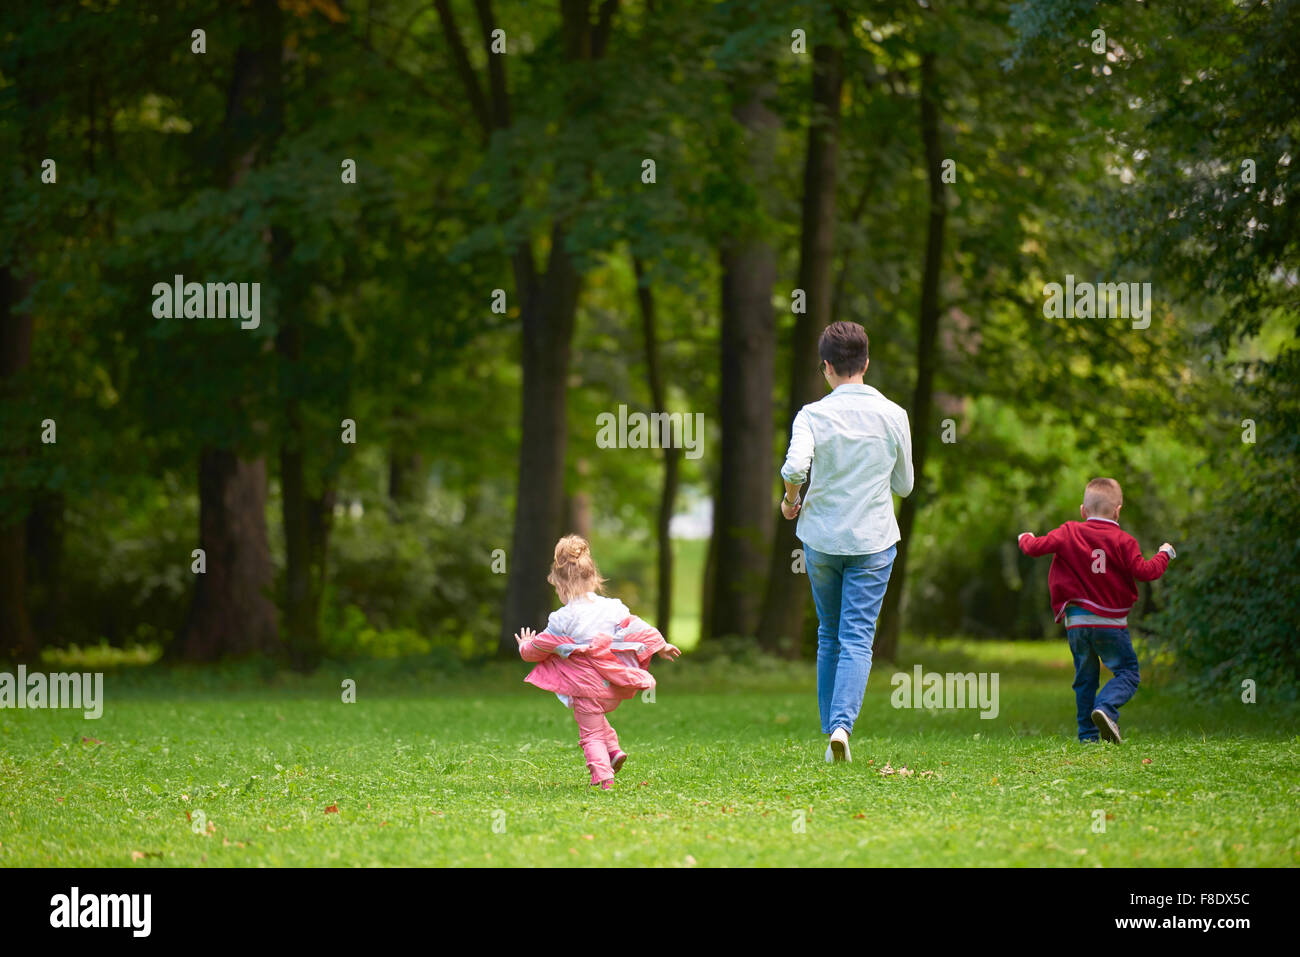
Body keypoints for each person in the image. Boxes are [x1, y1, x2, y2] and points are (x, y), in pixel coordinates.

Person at [778, 321, 913, 763]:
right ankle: (841, 727)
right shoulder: (894, 415)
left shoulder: (812, 415)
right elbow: (906, 485)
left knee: (828, 633)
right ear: (866, 363)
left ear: (827, 367)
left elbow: (795, 468)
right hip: (873, 539)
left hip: (822, 539)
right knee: (858, 635)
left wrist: (790, 501)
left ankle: (831, 729)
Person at [1018, 477, 1175, 744]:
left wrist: (1025, 537)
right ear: (1118, 510)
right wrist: (1165, 553)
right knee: (1128, 673)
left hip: (1077, 622)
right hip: (1110, 623)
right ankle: (1105, 707)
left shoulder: (1069, 531)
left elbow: (1035, 548)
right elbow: (1146, 572)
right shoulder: (1125, 541)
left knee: (1085, 677)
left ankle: (1088, 736)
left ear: (1083, 511)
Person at [515, 535, 681, 788]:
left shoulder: (562, 619)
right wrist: (660, 645)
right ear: (593, 578)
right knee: (596, 719)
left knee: (590, 733)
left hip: (585, 687)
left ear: (560, 585)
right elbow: (636, 627)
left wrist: (524, 645)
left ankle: (602, 776)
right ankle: (613, 751)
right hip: (611, 685)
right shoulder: (613, 607)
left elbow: (538, 649)